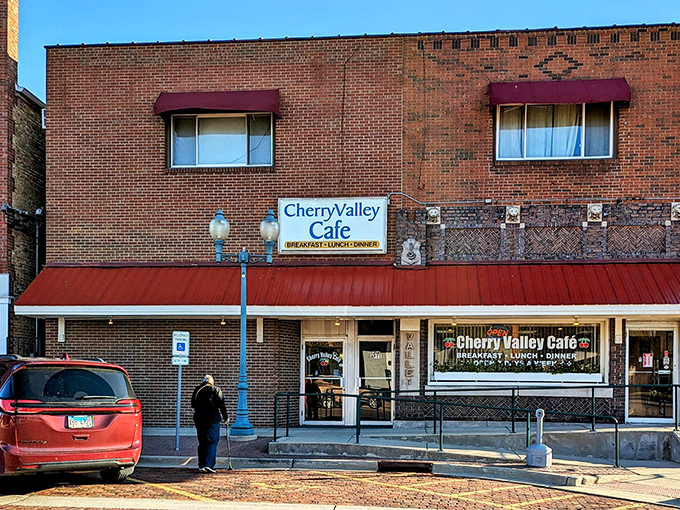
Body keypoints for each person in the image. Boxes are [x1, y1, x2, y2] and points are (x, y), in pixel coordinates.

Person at [191, 375, 228, 473]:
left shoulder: (197, 390)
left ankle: (201, 464)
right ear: (212, 382)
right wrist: (226, 417)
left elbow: (192, 404)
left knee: (202, 441)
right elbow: (221, 405)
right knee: (212, 441)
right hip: (212, 419)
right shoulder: (216, 390)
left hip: (199, 418)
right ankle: (209, 464)